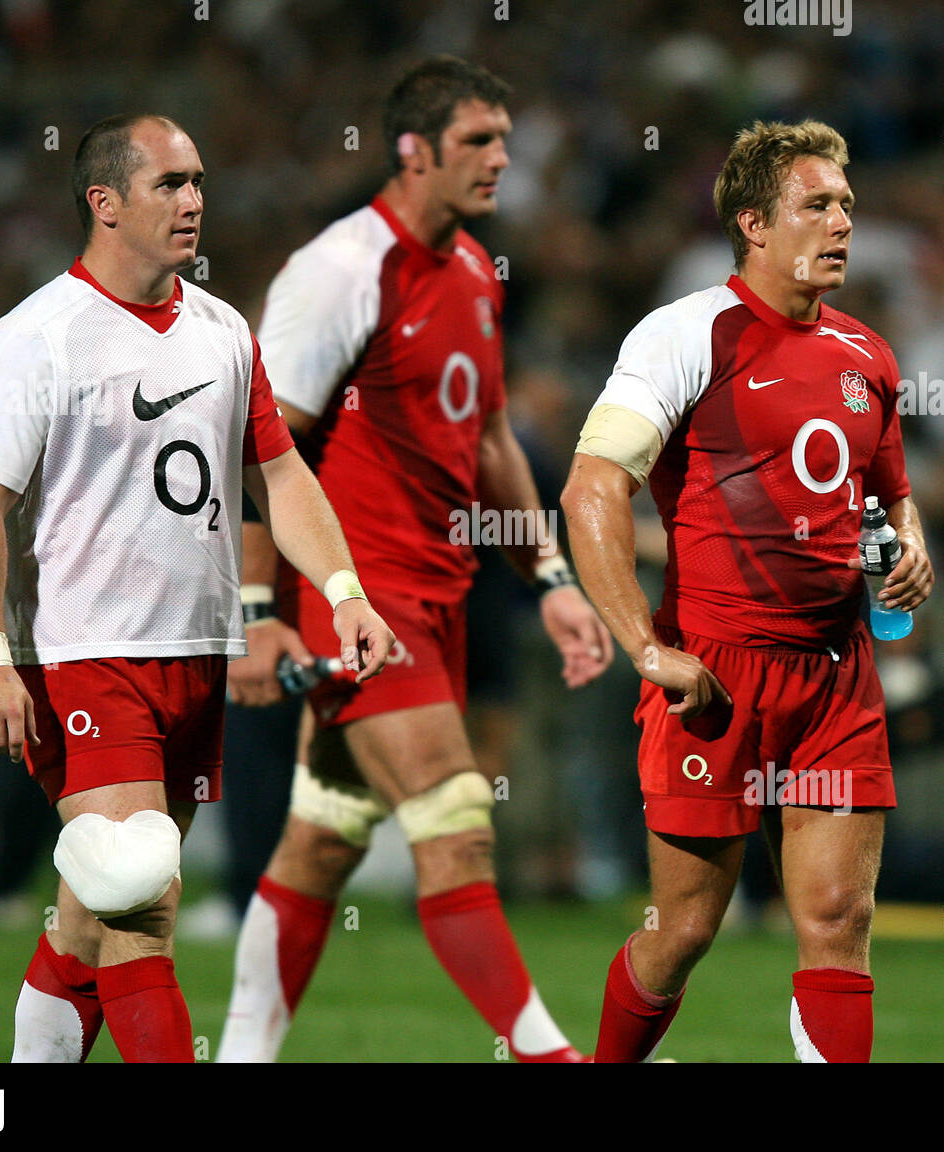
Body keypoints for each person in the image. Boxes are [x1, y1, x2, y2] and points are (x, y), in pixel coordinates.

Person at [0, 113, 392, 1063]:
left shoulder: (223, 329)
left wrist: (345, 590)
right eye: (170, 184)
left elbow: (280, 476)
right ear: (104, 204)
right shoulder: (37, 338)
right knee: (143, 908)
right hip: (83, 659)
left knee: (85, 924)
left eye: (198, 181)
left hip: (194, 656)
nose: (194, 201)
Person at [216, 56, 613, 1063]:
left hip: (440, 594)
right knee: (456, 817)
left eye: (505, 140)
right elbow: (265, 451)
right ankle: (549, 1056)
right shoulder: (341, 269)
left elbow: (488, 443)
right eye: (477, 141)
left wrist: (551, 579)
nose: (500, 160)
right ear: (413, 150)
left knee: (320, 841)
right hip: (353, 596)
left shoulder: (476, 272)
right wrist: (258, 606)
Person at [561, 119, 934, 1063]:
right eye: (818, 205)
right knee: (683, 931)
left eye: (848, 204)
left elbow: (891, 498)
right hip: (712, 678)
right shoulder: (688, 333)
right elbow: (592, 485)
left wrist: (910, 549)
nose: (843, 222)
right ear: (754, 223)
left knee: (838, 918)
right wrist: (645, 648)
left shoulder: (868, 358)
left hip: (835, 675)